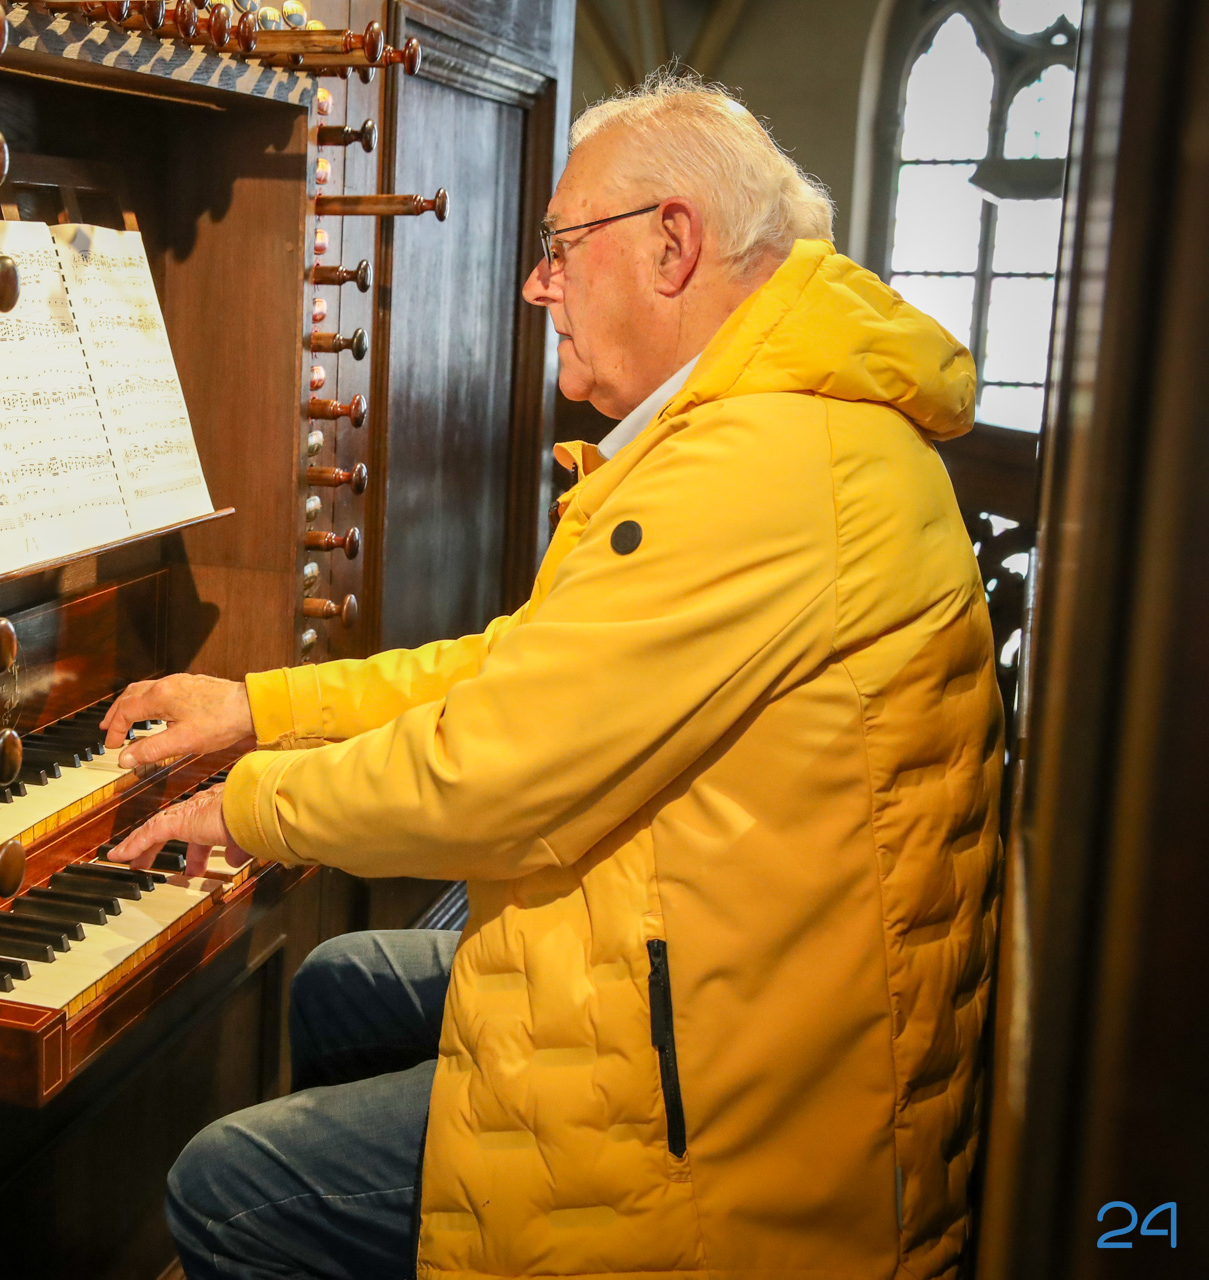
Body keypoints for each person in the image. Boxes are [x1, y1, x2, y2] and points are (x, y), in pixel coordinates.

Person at [100, 71, 1004, 1280]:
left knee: (224, 1186)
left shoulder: (769, 465)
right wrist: (261, 705)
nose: (536, 284)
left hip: (740, 1162)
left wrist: (245, 804)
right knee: (345, 980)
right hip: (711, 994)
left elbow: (491, 768)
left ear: (673, 243)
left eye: (563, 245)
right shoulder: (761, 428)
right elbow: (526, 668)